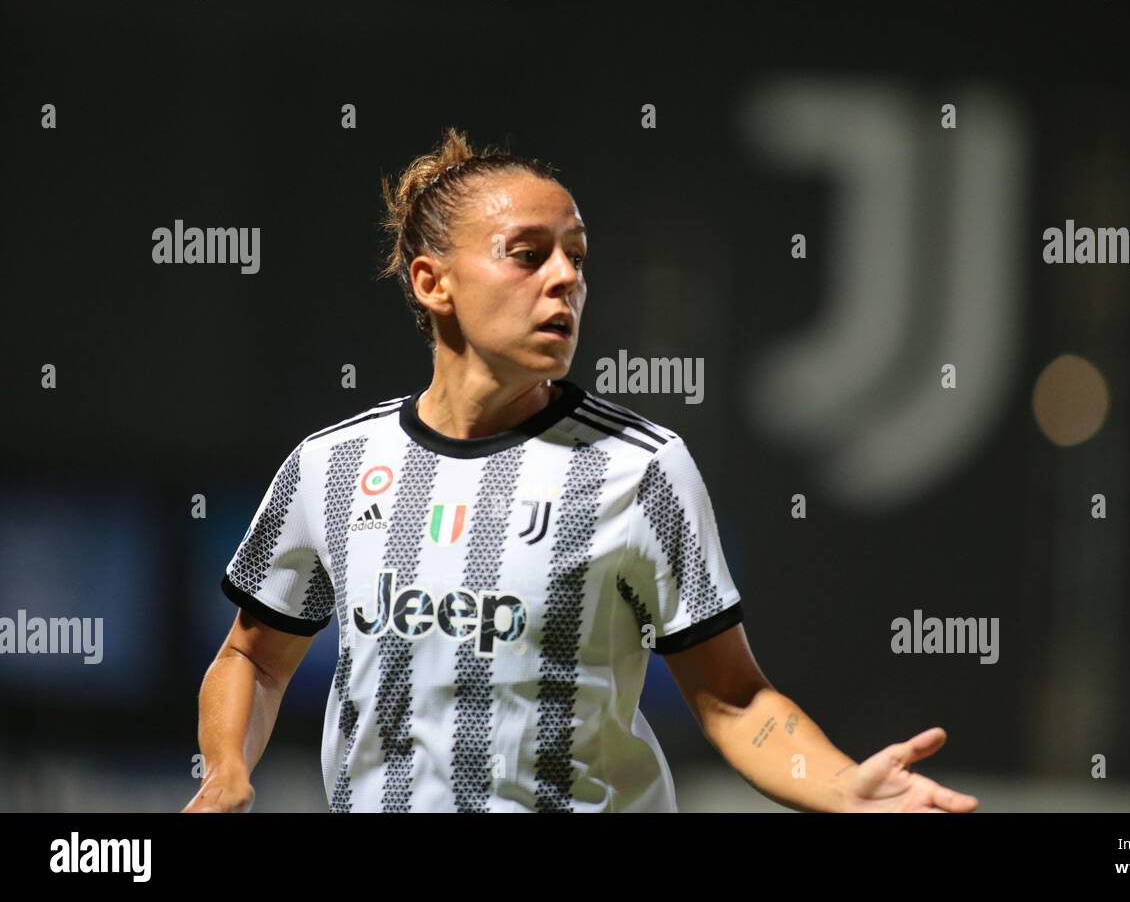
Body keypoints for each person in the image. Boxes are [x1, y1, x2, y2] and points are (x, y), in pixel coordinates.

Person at [183, 128, 979, 814]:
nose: (564, 278)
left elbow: (734, 698)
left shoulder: (639, 470)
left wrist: (841, 784)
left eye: (577, 257)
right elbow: (252, 656)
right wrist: (224, 772)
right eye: (527, 255)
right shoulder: (334, 466)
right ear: (434, 283)